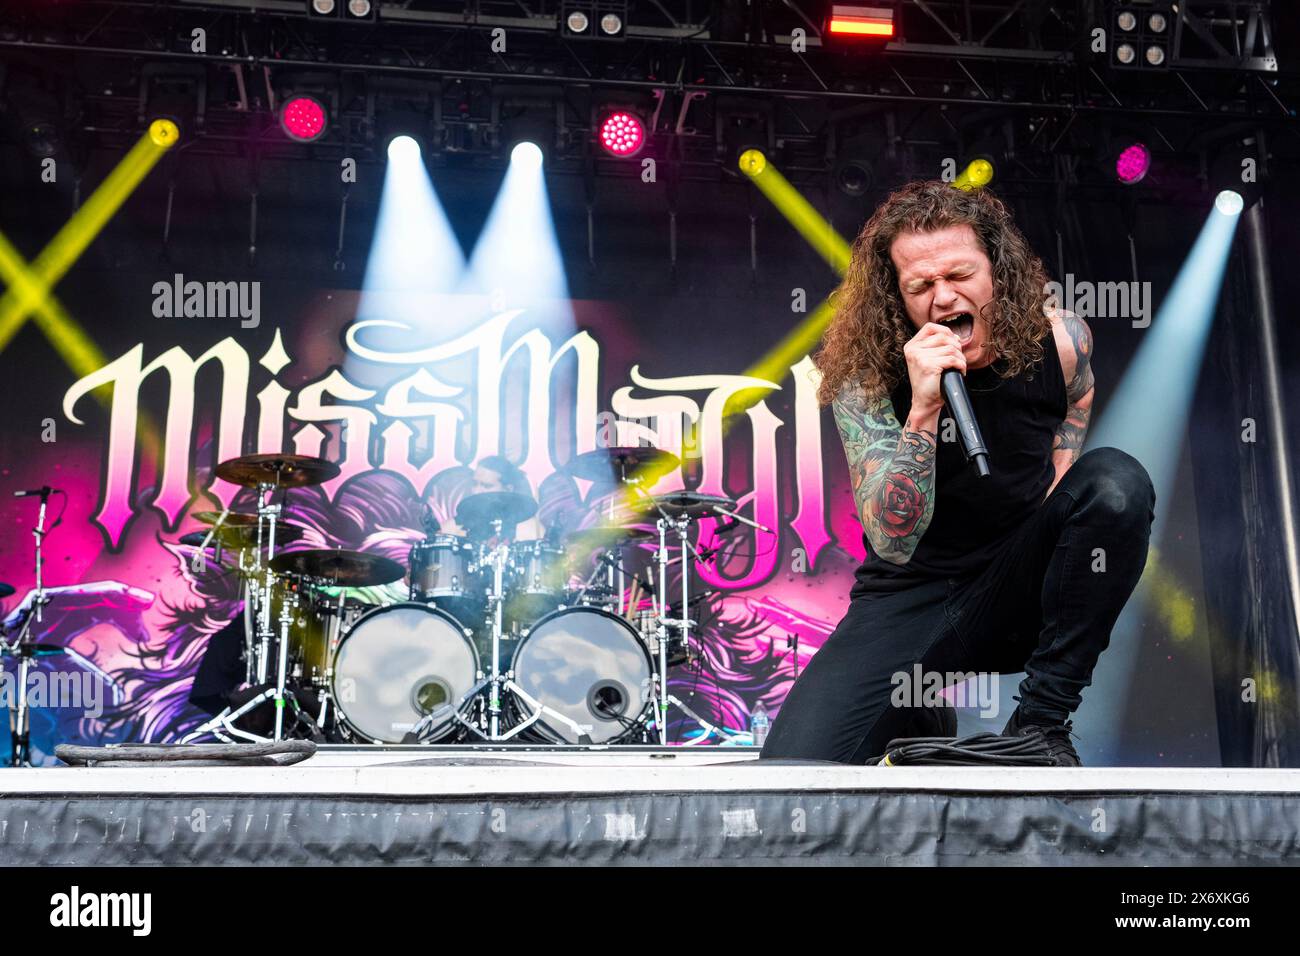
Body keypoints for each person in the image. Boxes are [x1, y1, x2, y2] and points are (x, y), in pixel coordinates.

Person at [761, 180, 1155, 766]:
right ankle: (918, 710)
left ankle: (1040, 725)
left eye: (960, 276)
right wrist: (924, 408)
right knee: (796, 772)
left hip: (1014, 587)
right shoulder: (866, 378)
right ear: (897, 298)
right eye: (922, 285)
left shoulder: (1063, 339)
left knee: (1115, 481)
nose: (943, 298)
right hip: (911, 595)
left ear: (998, 271)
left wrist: (1057, 483)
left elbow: (1076, 397)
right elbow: (893, 540)